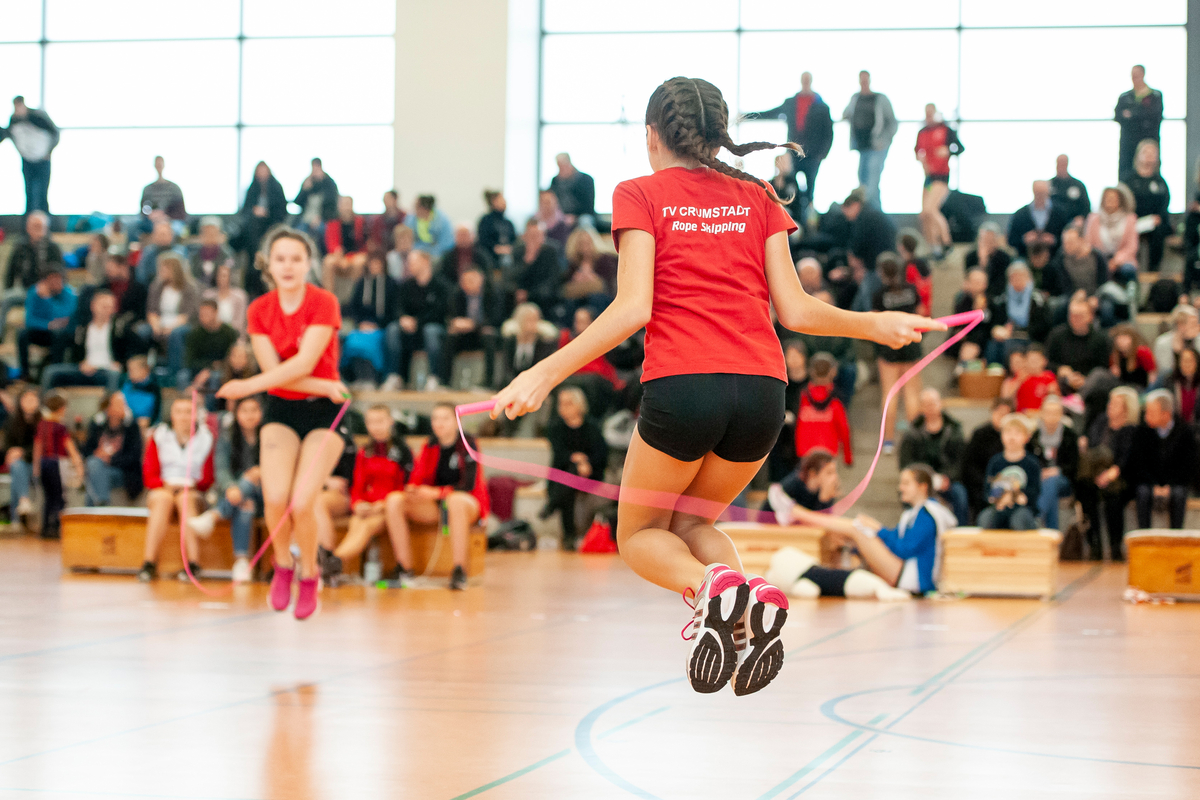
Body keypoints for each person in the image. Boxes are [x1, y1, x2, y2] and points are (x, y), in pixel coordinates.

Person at [490, 76, 936, 696]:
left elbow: (631, 309)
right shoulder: (757, 196)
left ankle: (710, 590)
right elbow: (798, 311)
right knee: (694, 525)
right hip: (761, 393)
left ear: (652, 136)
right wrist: (875, 324)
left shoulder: (639, 194)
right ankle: (745, 606)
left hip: (684, 386)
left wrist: (542, 370)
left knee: (641, 536)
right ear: (716, 135)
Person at [215, 226, 350, 620]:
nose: (288, 266)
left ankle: (310, 573)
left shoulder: (324, 302)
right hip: (282, 409)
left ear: (309, 264)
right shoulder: (259, 310)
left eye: (296, 259)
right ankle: (283, 565)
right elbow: (278, 373)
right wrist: (326, 384)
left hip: (326, 413)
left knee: (302, 500)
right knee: (274, 498)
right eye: (280, 259)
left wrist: (246, 386)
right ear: (268, 265)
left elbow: (302, 363)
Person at [795, 465, 956, 595]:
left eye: (906, 483)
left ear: (922, 487)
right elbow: (900, 540)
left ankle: (799, 513)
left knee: (856, 529)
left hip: (913, 579)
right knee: (853, 532)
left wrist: (878, 529)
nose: (901, 488)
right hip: (904, 572)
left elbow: (904, 549)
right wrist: (876, 530)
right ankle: (802, 515)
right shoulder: (914, 513)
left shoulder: (927, 515)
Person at [400, 403, 490, 589]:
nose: (439, 423)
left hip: (466, 502)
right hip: (436, 504)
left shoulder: (468, 443)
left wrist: (438, 492)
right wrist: (413, 489)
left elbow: (468, 485)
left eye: (445, 418)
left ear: (457, 422)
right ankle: (404, 567)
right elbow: (417, 477)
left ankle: (459, 570)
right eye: (435, 418)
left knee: (454, 500)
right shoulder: (430, 444)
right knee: (395, 501)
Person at [324, 405, 414, 581]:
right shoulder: (365, 452)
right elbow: (357, 486)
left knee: (365, 526)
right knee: (356, 523)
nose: (376, 426)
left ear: (390, 422)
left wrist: (381, 505)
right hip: (367, 505)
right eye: (372, 422)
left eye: (380, 421)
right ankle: (333, 563)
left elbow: (407, 487)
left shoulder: (403, 451)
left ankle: (333, 561)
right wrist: (357, 504)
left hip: (386, 508)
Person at [137, 397, 216, 581]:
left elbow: (208, 477)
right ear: (171, 414)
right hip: (163, 487)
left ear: (196, 415)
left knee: (185, 500)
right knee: (163, 500)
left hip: (193, 489)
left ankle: (193, 564)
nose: (183, 416)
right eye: (179, 411)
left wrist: (188, 486)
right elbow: (149, 475)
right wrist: (167, 485)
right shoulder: (159, 436)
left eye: (188, 411)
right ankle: (148, 562)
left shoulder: (206, 438)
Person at [186, 395, 263, 583]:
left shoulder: (269, 435)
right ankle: (242, 561)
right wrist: (231, 487)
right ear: (236, 414)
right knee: (245, 504)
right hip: (236, 496)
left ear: (262, 412)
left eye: (254, 410)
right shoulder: (228, 435)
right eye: (244, 410)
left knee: (252, 477)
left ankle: (213, 516)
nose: (250, 415)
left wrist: (256, 474)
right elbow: (220, 469)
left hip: (266, 495)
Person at [744, 72, 834, 219]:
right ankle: (792, 219)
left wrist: (822, 154)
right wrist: (748, 116)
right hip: (794, 152)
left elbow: (828, 132)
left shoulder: (821, 106)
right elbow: (772, 112)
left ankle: (809, 222)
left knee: (810, 190)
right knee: (791, 186)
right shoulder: (792, 102)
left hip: (812, 155)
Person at [1076, 386, 1139, 560]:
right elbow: (1092, 447)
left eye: (1116, 403)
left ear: (1127, 408)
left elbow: (1128, 459)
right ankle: (1094, 543)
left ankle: (1115, 545)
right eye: (1110, 402)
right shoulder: (1101, 421)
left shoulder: (1132, 429)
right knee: (1085, 491)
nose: (1110, 406)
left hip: (1122, 476)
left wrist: (1112, 473)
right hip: (1095, 473)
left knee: (1114, 496)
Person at [542, 388, 608, 550]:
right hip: (563, 475)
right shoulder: (556, 427)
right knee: (569, 480)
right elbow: (559, 455)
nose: (564, 408)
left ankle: (554, 508)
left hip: (591, 474)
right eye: (561, 404)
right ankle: (569, 535)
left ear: (579, 405)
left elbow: (601, 454)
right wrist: (577, 460)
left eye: (568, 403)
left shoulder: (592, 426)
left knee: (568, 481)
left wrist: (586, 462)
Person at [873, 253, 924, 454]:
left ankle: (888, 441)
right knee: (912, 394)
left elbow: (875, 322)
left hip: (888, 346)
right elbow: (920, 313)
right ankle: (917, 438)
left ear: (881, 272)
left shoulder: (879, 294)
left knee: (889, 394)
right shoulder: (911, 290)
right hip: (910, 343)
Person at [1128, 389, 1198, 531]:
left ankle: (1176, 537)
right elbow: (1139, 464)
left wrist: (1169, 486)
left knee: (1178, 494)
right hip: (1149, 482)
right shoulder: (1142, 431)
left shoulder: (1185, 432)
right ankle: (1144, 537)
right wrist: (1154, 485)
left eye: (1151, 413)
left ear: (1166, 414)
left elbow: (1189, 466)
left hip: (1175, 482)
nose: (1146, 416)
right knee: (1142, 492)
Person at [899, 388, 969, 525]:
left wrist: (947, 477)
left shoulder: (955, 429)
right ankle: (913, 529)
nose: (930, 408)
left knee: (959, 493)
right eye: (926, 404)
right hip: (921, 480)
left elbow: (960, 460)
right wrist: (926, 479)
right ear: (921, 407)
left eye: (933, 403)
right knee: (908, 492)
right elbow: (906, 464)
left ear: (940, 404)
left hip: (948, 479)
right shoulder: (911, 433)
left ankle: (961, 531)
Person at [42, 289, 128, 392]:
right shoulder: (82, 328)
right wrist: (81, 363)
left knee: (114, 375)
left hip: (107, 370)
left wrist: (120, 364)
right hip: (84, 369)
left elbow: (129, 352)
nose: (107, 310)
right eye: (104, 306)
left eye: (110, 307)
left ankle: (109, 406)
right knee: (50, 372)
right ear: (93, 306)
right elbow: (74, 352)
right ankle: (46, 405)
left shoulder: (120, 329)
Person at [344, 250, 403, 389]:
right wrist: (361, 323)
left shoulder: (391, 284)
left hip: (383, 326)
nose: (375, 266)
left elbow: (395, 310)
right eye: (372, 263)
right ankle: (360, 377)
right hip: (362, 326)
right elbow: (354, 307)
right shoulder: (361, 283)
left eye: (378, 263)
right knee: (353, 341)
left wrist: (378, 325)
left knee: (380, 339)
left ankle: (377, 377)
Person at [1, 212, 63, 342]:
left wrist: (49, 289)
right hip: (25, 291)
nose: (37, 229)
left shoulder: (53, 248)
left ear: (46, 228)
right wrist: (9, 288)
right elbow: (10, 272)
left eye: (40, 226)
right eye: (34, 226)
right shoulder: (20, 247)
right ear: (28, 228)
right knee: (6, 299)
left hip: (49, 292)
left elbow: (61, 274)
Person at [841, 71, 897, 208]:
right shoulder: (856, 98)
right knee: (863, 181)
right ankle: (874, 212)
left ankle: (870, 212)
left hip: (877, 146)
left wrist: (884, 141)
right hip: (862, 146)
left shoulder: (880, 99)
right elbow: (846, 114)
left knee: (871, 183)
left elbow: (893, 123)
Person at [914, 103, 963, 259]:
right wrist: (921, 159)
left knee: (930, 209)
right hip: (928, 179)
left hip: (941, 178)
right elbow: (917, 151)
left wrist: (948, 150)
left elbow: (960, 148)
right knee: (924, 215)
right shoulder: (922, 132)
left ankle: (946, 241)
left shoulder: (946, 130)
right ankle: (933, 246)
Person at [32, 392, 84, 540]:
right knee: (59, 497)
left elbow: (38, 446)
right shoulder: (60, 427)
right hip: (57, 464)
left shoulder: (42, 425)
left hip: (44, 463)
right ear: (61, 408)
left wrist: (36, 468)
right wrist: (78, 464)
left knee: (48, 497)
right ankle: (56, 527)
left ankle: (45, 527)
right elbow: (70, 447)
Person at [397, 250, 450, 391]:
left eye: (413, 262)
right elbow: (399, 307)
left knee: (431, 331)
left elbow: (440, 311)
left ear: (426, 262)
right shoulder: (406, 285)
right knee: (393, 330)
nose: (410, 266)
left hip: (434, 327)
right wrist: (403, 318)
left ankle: (435, 377)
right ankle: (397, 377)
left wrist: (417, 322)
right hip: (411, 329)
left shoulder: (441, 285)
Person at [978, 414, 1041, 530]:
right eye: (1007, 432)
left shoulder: (1032, 463)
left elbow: (1034, 492)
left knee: (1018, 520)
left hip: (1023, 509)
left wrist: (1014, 497)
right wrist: (999, 498)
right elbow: (988, 490)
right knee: (985, 519)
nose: (1012, 437)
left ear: (1026, 437)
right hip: (999, 507)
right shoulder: (995, 462)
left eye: (1017, 433)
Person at [81, 391, 143, 507]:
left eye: (124, 403)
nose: (124, 407)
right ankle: (102, 504)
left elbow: (134, 456)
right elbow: (86, 450)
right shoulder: (97, 423)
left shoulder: (131, 426)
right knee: (95, 466)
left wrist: (111, 460)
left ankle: (94, 512)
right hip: (100, 469)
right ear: (108, 407)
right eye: (119, 404)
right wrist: (97, 453)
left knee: (93, 469)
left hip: (123, 472)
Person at [446, 267, 503, 389]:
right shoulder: (457, 294)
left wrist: (474, 324)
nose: (467, 284)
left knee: (489, 335)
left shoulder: (492, 292)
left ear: (481, 279)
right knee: (449, 336)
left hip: (483, 332)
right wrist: (455, 323)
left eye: (471, 280)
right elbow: (450, 315)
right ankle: (444, 382)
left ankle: (488, 383)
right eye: (464, 281)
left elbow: (496, 318)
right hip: (465, 334)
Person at [841, 188, 898, 312]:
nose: (848, 218)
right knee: (860, 306)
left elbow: (856, 247)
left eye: (847, 213)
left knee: (869, 308)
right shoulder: (875, 211)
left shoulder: (864, 217)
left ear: (855, 205)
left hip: (874, 269)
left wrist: (856, 268)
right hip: (885, 264)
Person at [146, 252, 200, 381]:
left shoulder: (189, 288)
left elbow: (187, 314)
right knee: (143, 332)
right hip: (160, 322)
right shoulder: (156, 286)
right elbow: (151, 310)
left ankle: (174, 373)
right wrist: (156, 326)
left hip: (182, 324)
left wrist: (169, 328)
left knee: (176, 334)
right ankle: (144, 372)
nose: (161, 271)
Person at [1028, 394, 1078, 530]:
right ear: (1042, 413)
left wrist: (1058, 471)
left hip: (1064, 480)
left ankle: (1037, 517)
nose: (1051, 416)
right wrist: (1041, 472)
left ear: (1061, 414)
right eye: (1048, 412)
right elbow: (1029, 461)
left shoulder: (1069, 435)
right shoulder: (1035, 436)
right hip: (1040, 480)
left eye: (1055, 412)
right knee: (1051, 492)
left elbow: (1075, 464)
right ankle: (1053, 534)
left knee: (1052, 482)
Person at [986, 261, 1051, 366]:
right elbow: (995, 320)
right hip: (1007, 335)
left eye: (1020, 277)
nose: (1017, 281)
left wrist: (1020, 331)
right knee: (993, 345)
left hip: (1030, 337)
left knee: (1010, 347)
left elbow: (1045, 324)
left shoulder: (1038, 300)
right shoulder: (1003, 299)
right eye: (1013, 278)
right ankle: (994, 376)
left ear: (1028, 278)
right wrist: (997, 329)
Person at [19, 264, 76, 381]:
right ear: (45, 281)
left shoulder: (69, 293)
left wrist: (48, 299)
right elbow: (29, 320)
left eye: (59, 279)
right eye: (52, 279)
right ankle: (25, 373)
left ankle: (56, 374)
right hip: (42, 332)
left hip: (63, 335)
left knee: (59, 334)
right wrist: (48, 325)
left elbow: (64, 318)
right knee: (22, 334)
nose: (56, 282)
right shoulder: (34, 293)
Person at [237, 162, 288, 295]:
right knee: (251, 226)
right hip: (254, 227)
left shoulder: (276, 187)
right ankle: (255, 255)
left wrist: (267, 213)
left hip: (271, 224)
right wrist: (255, 211)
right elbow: (245, 210)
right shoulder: (252, 188)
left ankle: (260, 252)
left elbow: (282, 211)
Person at [2, 96, 59, 213]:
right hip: (27, 161)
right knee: (29, 193)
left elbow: (55, 132)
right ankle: (27, 227)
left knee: (42, 193)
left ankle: (45, 225)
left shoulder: (37, 116)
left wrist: (49, 151)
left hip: (43, 160)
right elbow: (9, 135)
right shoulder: (14, 120)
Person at [962, 397, 1015, 520]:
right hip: (982, 485)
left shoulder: (1015, 439)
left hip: (1011, 485)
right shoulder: (980, 434)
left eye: (1006, 414)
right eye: (999, 413)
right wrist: (989, 482)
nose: (1002, 418)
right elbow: (969, 466)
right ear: (992, 412)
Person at [794, 352, 852, 465]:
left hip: (805, 452)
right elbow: (844, 429)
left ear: (810, 371)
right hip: (829, 452)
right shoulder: (836, 400)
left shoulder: (802, 396)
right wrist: (848, 456)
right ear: (833, 372)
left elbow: (796, 425)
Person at [1123, 139, 1171, 271]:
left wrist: (1157, 218)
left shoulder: (1160, 182)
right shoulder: (1129, 180)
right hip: (1132, 221)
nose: (1149, 156)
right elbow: (1123, 202)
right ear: (1138, 155)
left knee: (1159, 232)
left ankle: (1153, 269)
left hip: (1153, 222)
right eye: (1146, 152)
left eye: (1153, 153)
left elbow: (1165, 203)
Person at [1045, 298, 1110, 396]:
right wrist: (1060, 369)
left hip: (1091, 384)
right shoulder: (1057, 336)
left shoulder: (1100, 339)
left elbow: (1103, 367)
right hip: (1063, 381)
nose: (1075, 319)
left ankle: (1077, 401)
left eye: (1079, 316)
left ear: (1090, 317)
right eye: (1072, 315)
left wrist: (1085, 379)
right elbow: (1047, 363)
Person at [3, 388, 41, 529]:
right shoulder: (13, 420)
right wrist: (10, 453)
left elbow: (41, 448)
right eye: (27, 399)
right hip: (19, 465)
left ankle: (16, 519)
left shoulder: (42, 421)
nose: (30, 403)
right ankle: (23, 502)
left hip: (36, 464)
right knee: (17, 467)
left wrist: (22, 452)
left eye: (33, 399)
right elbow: (6, 446)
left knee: (17, 471)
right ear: (20, 401)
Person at [1115, 65, 1163, 178]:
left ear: (1142, 75)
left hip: (1148, 139)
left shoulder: (1154, 96)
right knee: (1126, 172)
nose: (1134, 78)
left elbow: (1154, 116)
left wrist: (1131, 114)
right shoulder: (1125, 96)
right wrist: (1139, 115)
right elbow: (1118, 116)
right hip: (1128, 143)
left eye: (1136, 75)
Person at [182, 299, 238, 392]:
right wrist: (208, 368)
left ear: (216, 313)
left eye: (207, 314)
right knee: (182, 376)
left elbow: (230, 358)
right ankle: (187, 404)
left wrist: (210, 371)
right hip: (198, 369)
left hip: (222, 369)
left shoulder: (228, 333)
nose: (203, 317)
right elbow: (189, 360)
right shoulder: (195, 334)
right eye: (201, 314)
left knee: (214, 379)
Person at [497, 302, 558, 388]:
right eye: (528, 320)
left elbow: (542, 372)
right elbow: (506, 370)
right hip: (512, 385)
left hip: (535, 386)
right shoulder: (510, 342)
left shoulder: (544, 344)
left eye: (535, 319)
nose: (532, 324)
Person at [510, 219, 562, 316]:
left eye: (537, 236)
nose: (533, 240)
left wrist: (529, 294)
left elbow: (552, 280)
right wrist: (526, 262)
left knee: (545, 294)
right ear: (524, 236)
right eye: (531, 236)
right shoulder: (518, 252)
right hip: (522, 294)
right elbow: (512, 277)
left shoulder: (551, 252)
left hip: (542, 295)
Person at [1008, 180, 1071, 259]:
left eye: (1042, 193)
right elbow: (1011, 239)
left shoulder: (1060, 213)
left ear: (1048, 192)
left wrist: (1054, 240)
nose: (1040, 196)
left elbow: (1068, 235)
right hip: (1026, 258)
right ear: (1033, 192)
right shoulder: (1020, 214)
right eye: (1037, 193)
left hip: (1055, 259)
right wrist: (1024, 239)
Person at [769, 449, 840, 519]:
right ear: (813, 473)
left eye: (834, 472)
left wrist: (824, 499)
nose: (834, 477)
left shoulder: (826, 489)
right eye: (829, 473)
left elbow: (826, 522)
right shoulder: (792, 486)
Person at [322, 195, 367, 299]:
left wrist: (349, 258)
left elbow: (363, 244)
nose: (346, 207)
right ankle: (329, 298)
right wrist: (339, 256)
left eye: (348, 204)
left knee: (359, 262)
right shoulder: (333, 223)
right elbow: (331, 244)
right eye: (343, 204)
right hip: (339, 255)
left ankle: (354, 299)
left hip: (356, 256)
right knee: (328, 262)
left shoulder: (360, 222)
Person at [950, 267, 991, 363]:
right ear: (967, 283)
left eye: (980, 282)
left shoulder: (991, 300)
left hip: (985, 338)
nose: (978, 285)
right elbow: (958, 325)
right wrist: (974, 310)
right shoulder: (962, 300)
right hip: (967, 337)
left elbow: (991, 323)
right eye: (975, 282)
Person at [963, 222, 1012, 300]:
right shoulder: (971, 256)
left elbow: (1001, 282)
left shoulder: (1004, 257)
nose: (987, 243)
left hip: (995, 293)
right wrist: (982, 261)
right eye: (985, 239)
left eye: (991, 239)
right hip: (974, 292)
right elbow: (969, 279)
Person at [293, 157, 339, 239]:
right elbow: (297, 202)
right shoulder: (308, 182)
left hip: (323, 219)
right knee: (297, 234)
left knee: (321, 231)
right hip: (305, 219)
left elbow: (332, 204)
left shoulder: (329, 184)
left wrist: (321, 217)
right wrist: (304, 190)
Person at [201, 261, 248, 336]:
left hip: (233, 334)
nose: (221, 278)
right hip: (211, 333)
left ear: (230, 277)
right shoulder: (208, 296)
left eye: (224, 276)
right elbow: (204, 319)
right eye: (219, 275)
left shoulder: (240, 297)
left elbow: (241, 322)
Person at [549, 153, 596, 225]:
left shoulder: (586, 179)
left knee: (585, 220)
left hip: (580, 215)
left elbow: (588, 205)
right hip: (561, 214)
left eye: (562, 166)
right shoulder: (555, 181)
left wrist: (575, 217)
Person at [1153, 305, 1200, 377]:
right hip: (1171, 382)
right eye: (1193, 324)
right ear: (1180, 324)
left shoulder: (1198, 340)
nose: (1197, 327)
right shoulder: (1162, 343)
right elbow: (1165, 371)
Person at [135, 220, 187, 285]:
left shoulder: (180, 252)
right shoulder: (148, 252)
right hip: (152, 288)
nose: (162, 237)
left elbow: (186, 275)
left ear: (171, 235)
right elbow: (141, 275)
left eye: (164, 234)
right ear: (154, 236)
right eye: (159, 234)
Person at [189, 217, 235, 290]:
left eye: (213, 233)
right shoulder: (194, 255)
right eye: (206, 233)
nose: (210, 237)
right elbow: (191, 278)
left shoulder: (227, 255)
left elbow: (232, 278)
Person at [1108, 323, 1156, 389]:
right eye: (1119, 337)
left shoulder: (1142, 352)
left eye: (1125, 337)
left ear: (1132, 339)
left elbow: (1152, 375)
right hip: (1121, 387)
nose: (1121, 341)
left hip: (1139, 387)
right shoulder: (1115, 355)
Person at [477, 190, 517, 268]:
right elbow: (483, 240)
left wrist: (509, 248)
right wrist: (496, 248)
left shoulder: (508, 222)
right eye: (501, 199)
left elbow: (514, 239)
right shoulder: (485, 221)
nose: (504, 202)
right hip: (490, 257)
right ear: (493, 202)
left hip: (508, 256)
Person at [139, 155, 186, 222]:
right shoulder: (147, 190)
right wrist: (152, 215)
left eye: (160, 164)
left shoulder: (174, 189)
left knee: (176, 227)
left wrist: (166, 216)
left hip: (171, 221)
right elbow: (143, 211)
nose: (159, 166)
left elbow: (181, 212)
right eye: (157, 164)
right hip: (152, 222)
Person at [897, 229, 932, 316]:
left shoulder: (916, 263)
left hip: (917, 304)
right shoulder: (917, 262)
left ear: (902, 246)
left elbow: (926, 285)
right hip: (911, 303)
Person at [120, 355, 161, 428]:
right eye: (129, 370)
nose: (129, 374)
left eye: (132, 370)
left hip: (148, 427)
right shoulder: (126, 386)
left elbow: (156, 414)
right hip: (128, 425)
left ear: (144, 370)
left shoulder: (154, 388)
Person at [1049, 154, 1091, 224]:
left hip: (1073, 224)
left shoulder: (1078, 185)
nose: (1061, 165)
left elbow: (1086, 207)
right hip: (1053, 224)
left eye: (1063, 162)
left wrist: (1081, 218)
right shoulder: (1049, 185)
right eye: (1059, 163)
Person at [1164, 346, 1200, 425]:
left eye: (1190, 360)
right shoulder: (1170, 381)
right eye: (1183, 361)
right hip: (1176, 427)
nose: (1186, 364)